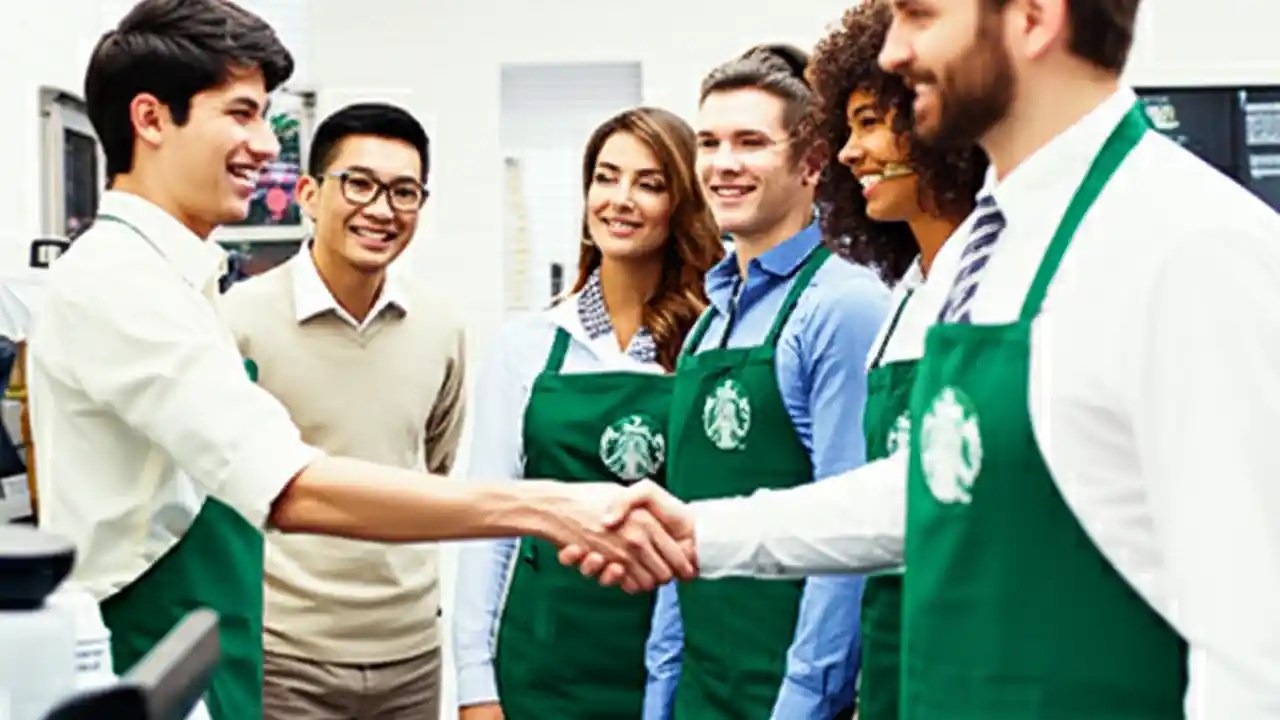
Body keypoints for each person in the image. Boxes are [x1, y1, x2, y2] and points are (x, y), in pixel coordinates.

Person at [569, 0, 1280, 717]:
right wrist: (703, 533)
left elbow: (1255, 634)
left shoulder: (1193, 246)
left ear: (1033, 17)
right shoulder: (984, 248)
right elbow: (941, 487)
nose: (895, 53)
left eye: (920, 16)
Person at [24, 3, 689, 719]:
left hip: (243, 646)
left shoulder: (186, 280)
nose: (262, 145)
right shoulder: (123, 284)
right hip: (157, 655)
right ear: (151, 119)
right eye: (241, 114)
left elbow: (422, 463)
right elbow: (290, 487)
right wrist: (551, 506)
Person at [643, 44, 892, 720]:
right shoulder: (706, 323)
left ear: (812, 162)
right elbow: (679, 528)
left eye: (751, 142)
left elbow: (854, 537)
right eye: (709, 143)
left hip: (787, 700)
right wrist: (661, 692)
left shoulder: (842, 306)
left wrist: (802, 705)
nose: (723, 164)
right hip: (700, 694)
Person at [452, 106, 723, 720]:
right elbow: (486, 524)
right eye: (606, 177)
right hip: (541, 666)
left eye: (649, 183)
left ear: (681, 203)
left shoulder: (711, 347)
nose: (620, 199)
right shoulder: (527, 345)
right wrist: (476, 686)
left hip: (675, 666)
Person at [221, 102, 462, 719]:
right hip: (285, 654)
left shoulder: (440, 325)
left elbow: (429, 467)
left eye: (404, 192)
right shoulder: (238, 320)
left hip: (410, 651)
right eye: (358, 183)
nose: (381, 209)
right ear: (308, 193)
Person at [808, 4, 987, 719]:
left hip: (966, 657)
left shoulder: (999, 284)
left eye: (869, 123)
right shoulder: (905, 298)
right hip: (890, 661)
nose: (849, 154)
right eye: (845, 128)